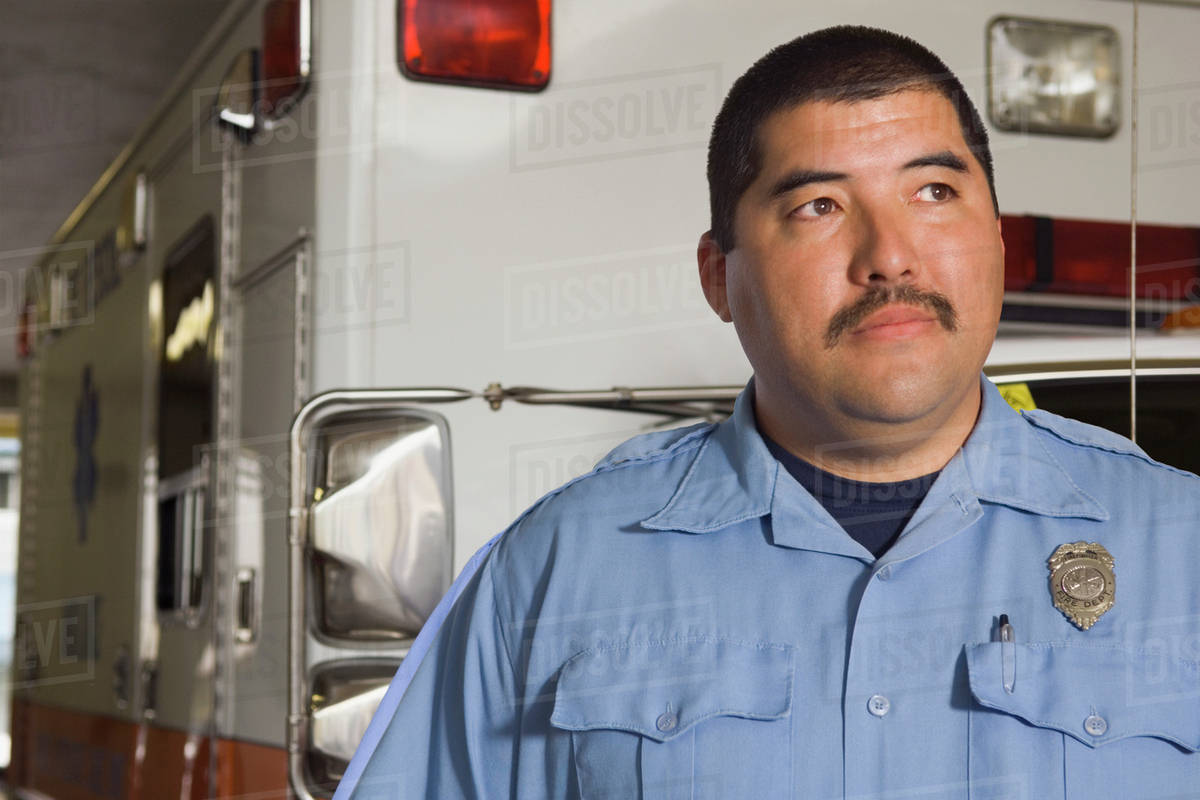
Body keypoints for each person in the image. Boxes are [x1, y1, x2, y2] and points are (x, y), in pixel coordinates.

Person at [339, 26, 1200, 799]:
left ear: (997, 240)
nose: (890, 257)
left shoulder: (1181, 548)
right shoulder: (554, 572)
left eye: (934, 191)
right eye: (818, 206)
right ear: (720, 277)